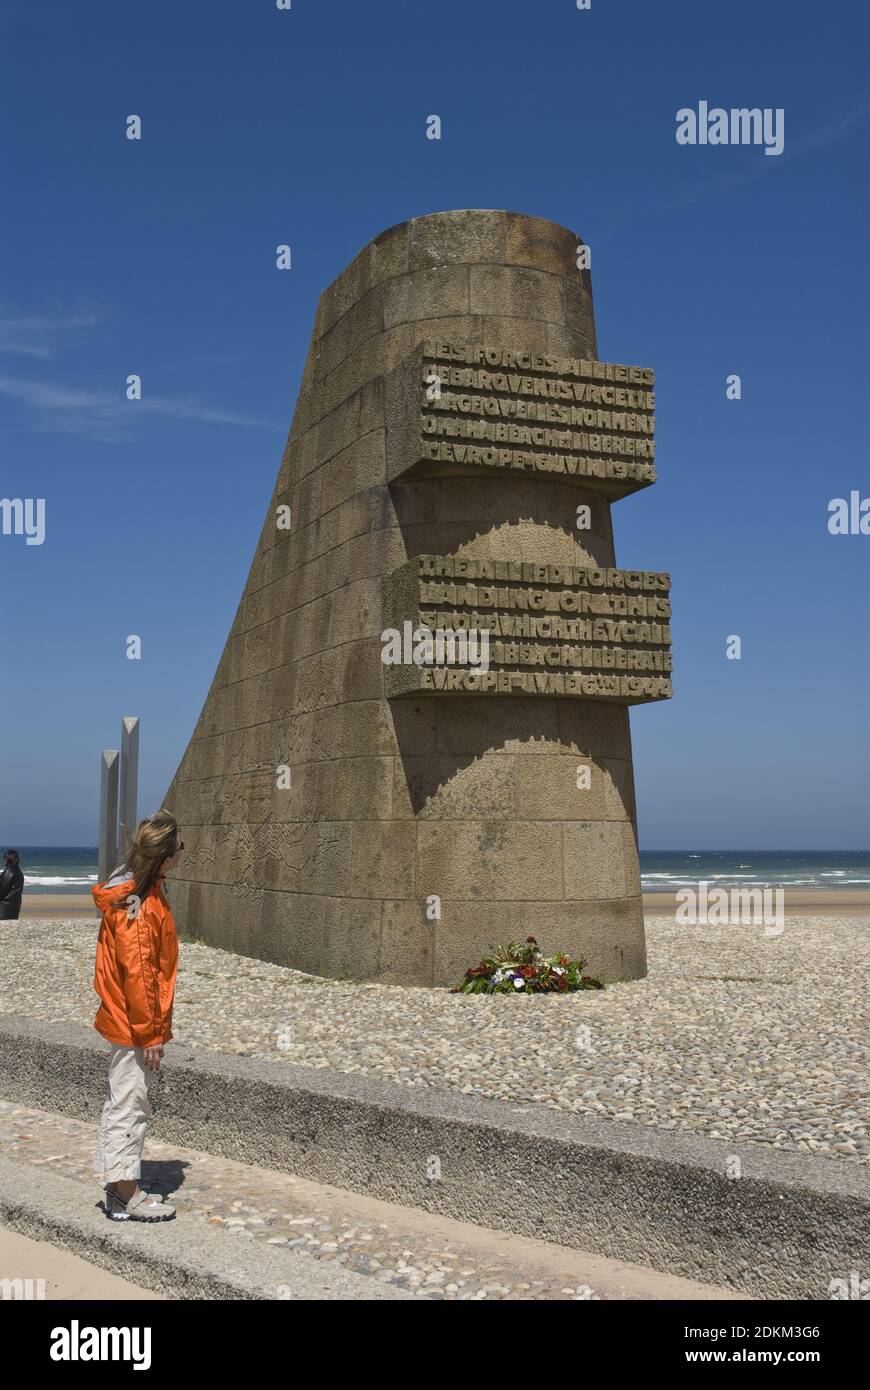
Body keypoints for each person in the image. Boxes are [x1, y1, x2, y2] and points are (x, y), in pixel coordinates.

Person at [91, 810, 182, 1222]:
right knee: (130, 1102)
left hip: (125, 1018)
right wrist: (152, 1034)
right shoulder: (139, 903)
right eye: (179, 847)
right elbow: (141, 974)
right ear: (164, 857)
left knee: (123, 1099)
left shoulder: (135, 890)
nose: (181, 854)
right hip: (133, 1023)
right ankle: (126, 1193)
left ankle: (117, 1189)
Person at [0, 850, 24, 920]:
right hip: (15, 908)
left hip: (3, 909)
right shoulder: (19, 872)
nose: (5, 862)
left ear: (9, 860)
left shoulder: (9, 871)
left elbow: (2, 890)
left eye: (6, 859)